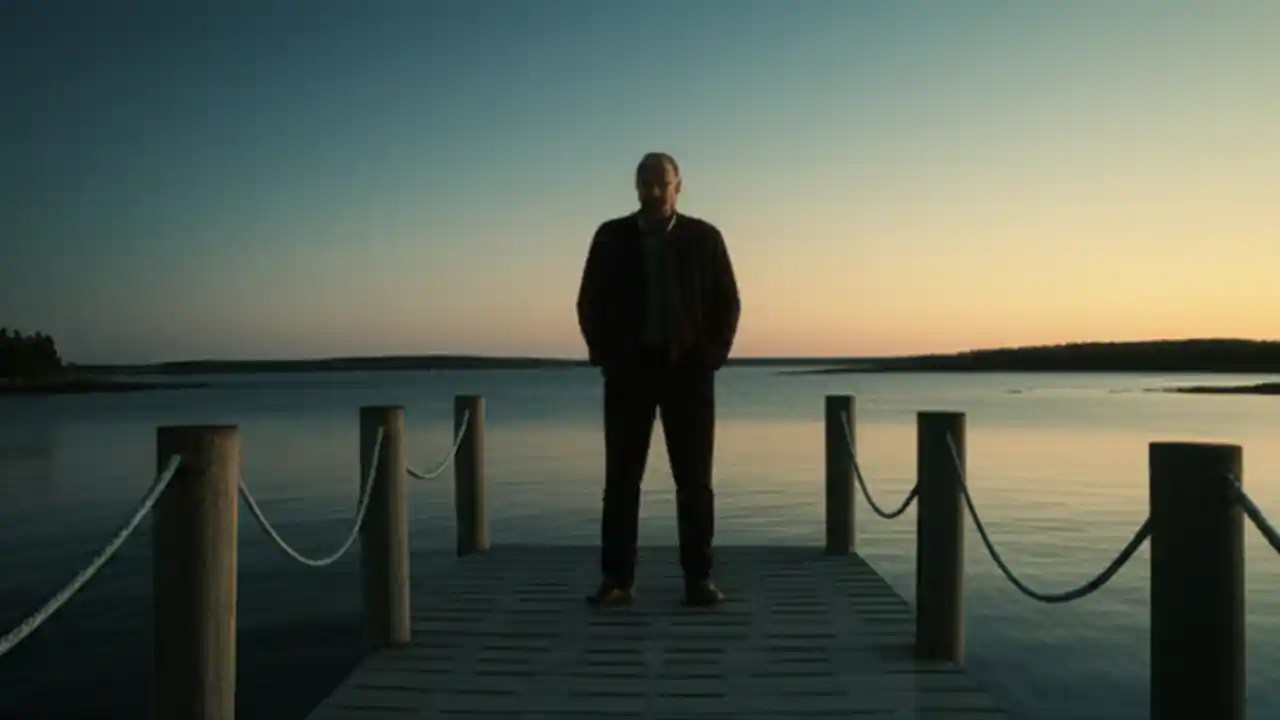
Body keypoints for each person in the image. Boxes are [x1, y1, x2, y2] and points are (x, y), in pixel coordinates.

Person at [575, 152, 741, 607]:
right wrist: (606, 355)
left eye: (660, 184)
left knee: (694, 484)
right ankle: (617, 580)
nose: (651, 192)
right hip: (629, 374)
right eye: (643, 184)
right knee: (621, 483)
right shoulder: (611, 237)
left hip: (689, 376)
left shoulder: (705, 238)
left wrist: (710, 358)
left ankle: (699, 579)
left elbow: (728, 303)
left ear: (678, 186)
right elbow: (588, 300)